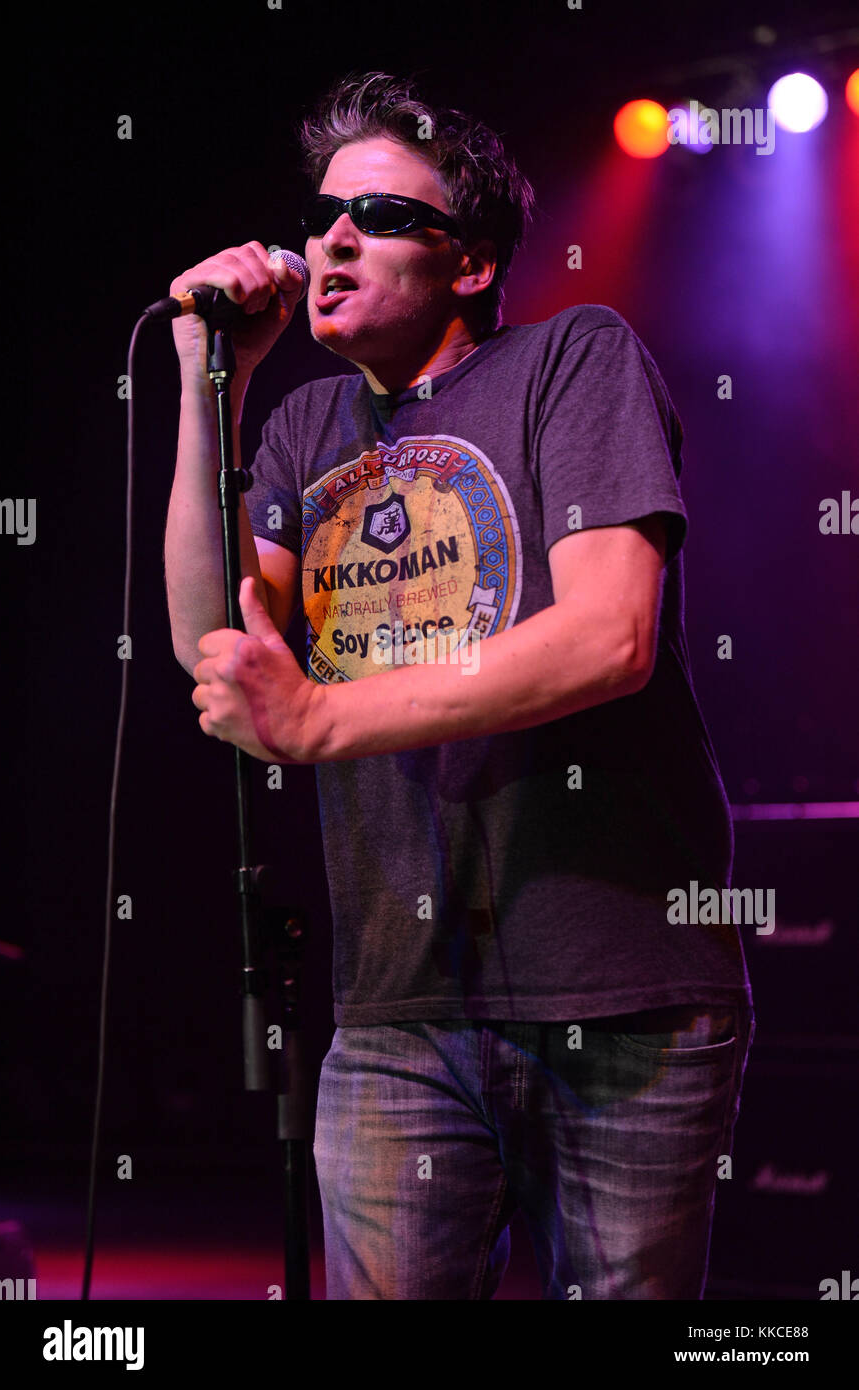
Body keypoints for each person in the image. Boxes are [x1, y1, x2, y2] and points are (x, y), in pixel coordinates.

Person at [164, 70, 754, 1300]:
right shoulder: (305, 427)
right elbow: (213, 647)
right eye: (323, 213)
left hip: (619, 992)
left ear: (470, 264)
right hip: (394, 1009)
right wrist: (203, 383)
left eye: (377, 216)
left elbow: (608, 638)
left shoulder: (570, 359)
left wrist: (319, 715)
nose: (330, 236)